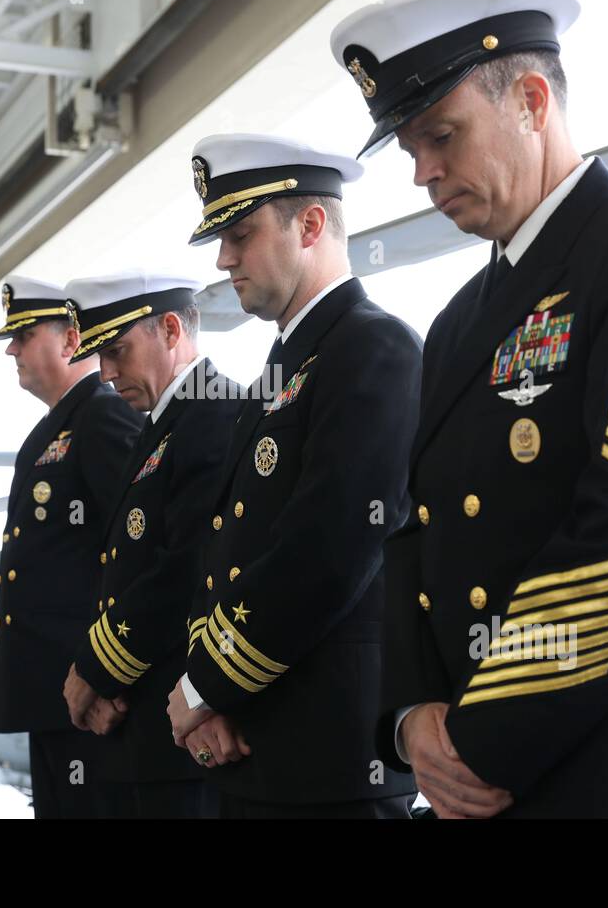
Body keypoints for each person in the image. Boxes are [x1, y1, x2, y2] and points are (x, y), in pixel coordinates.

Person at [329, 0, 608, 817]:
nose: (423, 171)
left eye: (441, 135)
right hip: (484, 775)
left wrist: (481, 735)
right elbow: (410, 529)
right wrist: (411, 719)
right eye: (410, 148)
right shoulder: (462, 320)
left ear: (531, 101)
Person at [166, 134, 423, 818]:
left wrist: (206, 686)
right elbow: (224, 549)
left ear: (310, 226)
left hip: (330, 763)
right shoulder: (282, 369)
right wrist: (211, 697)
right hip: (257, 747)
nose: (224, 260)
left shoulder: (374, 347)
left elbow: (332, 548)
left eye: (240, 235)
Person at [61, 270, 242, 818]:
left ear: (170, 329)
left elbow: (185, 568)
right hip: (142, 718)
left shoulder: (216, 414)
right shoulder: (160, 426)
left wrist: (97, 671)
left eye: (117, 351)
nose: (106, 373)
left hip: (184, 722)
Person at [0, 277, 142, 818]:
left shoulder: (102, 416)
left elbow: (135, 550)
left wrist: (106, 673)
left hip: (88, 688)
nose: (11, 350)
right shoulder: (52, 431)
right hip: (55, 690)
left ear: (73, 339)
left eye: (22, 335)